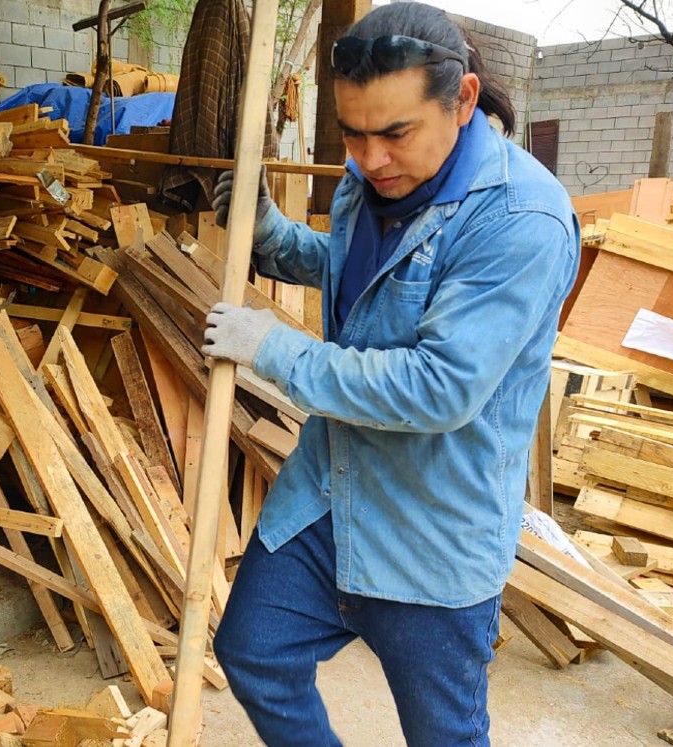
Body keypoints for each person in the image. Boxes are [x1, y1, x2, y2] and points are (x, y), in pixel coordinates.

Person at [202, 3, 580, 745]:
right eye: (353, 132)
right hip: (333, 493)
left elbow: (439, 385)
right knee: (253, 650)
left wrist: (274, 350)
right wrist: (275, 239)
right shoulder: (368, 179)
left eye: (394, 133)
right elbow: (363, 274)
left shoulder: (520, 219)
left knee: (443, 735)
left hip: (433, 528)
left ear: (463, 100)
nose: (370, 158)